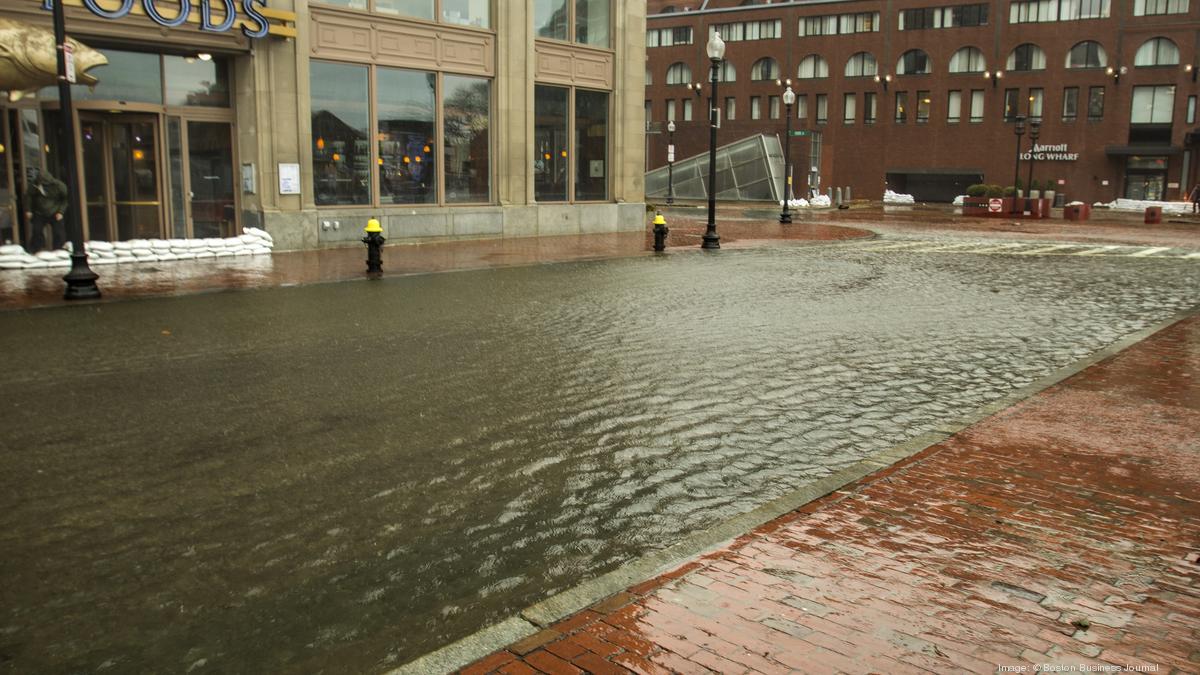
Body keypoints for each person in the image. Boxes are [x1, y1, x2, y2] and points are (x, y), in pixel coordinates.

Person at [24, 168, 68, 253]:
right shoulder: (34, 185)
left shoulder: (59, 186)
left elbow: (64, 200)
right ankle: (37, 248)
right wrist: (28, 210)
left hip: (55, 211)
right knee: (37, 230)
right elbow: (28, 197)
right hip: (39, 212)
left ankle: (58, 249)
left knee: (58, 232)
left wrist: (61, 212)